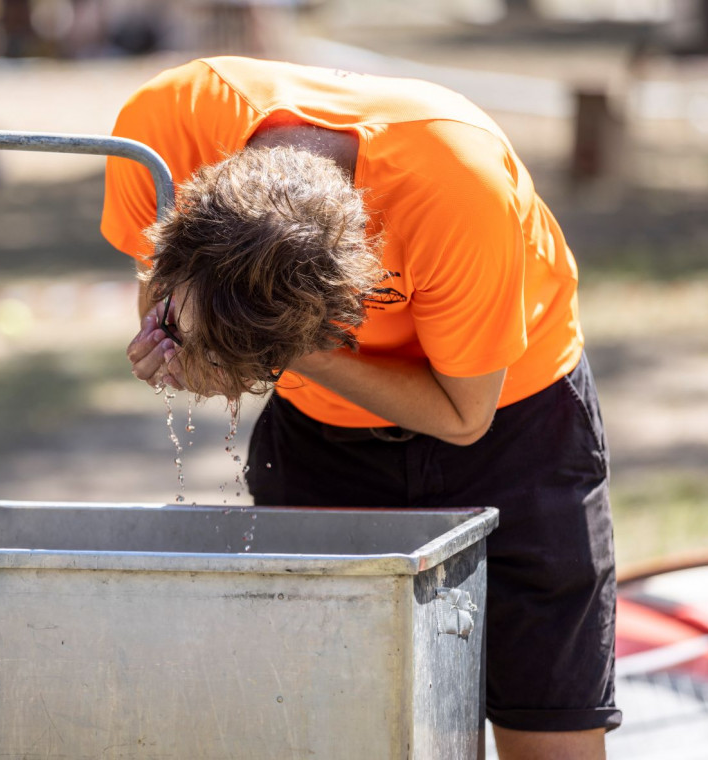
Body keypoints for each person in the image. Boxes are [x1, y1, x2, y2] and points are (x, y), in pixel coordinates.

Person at [104, 57, 618, 759]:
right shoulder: (168, 128)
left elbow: (465, 415)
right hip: (321, 437)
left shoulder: (455, 184)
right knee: (330, 722)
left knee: (549, 726)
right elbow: (153, 283)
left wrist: (286, 353)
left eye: (273, 355)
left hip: (512, 421)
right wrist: (177, 335)